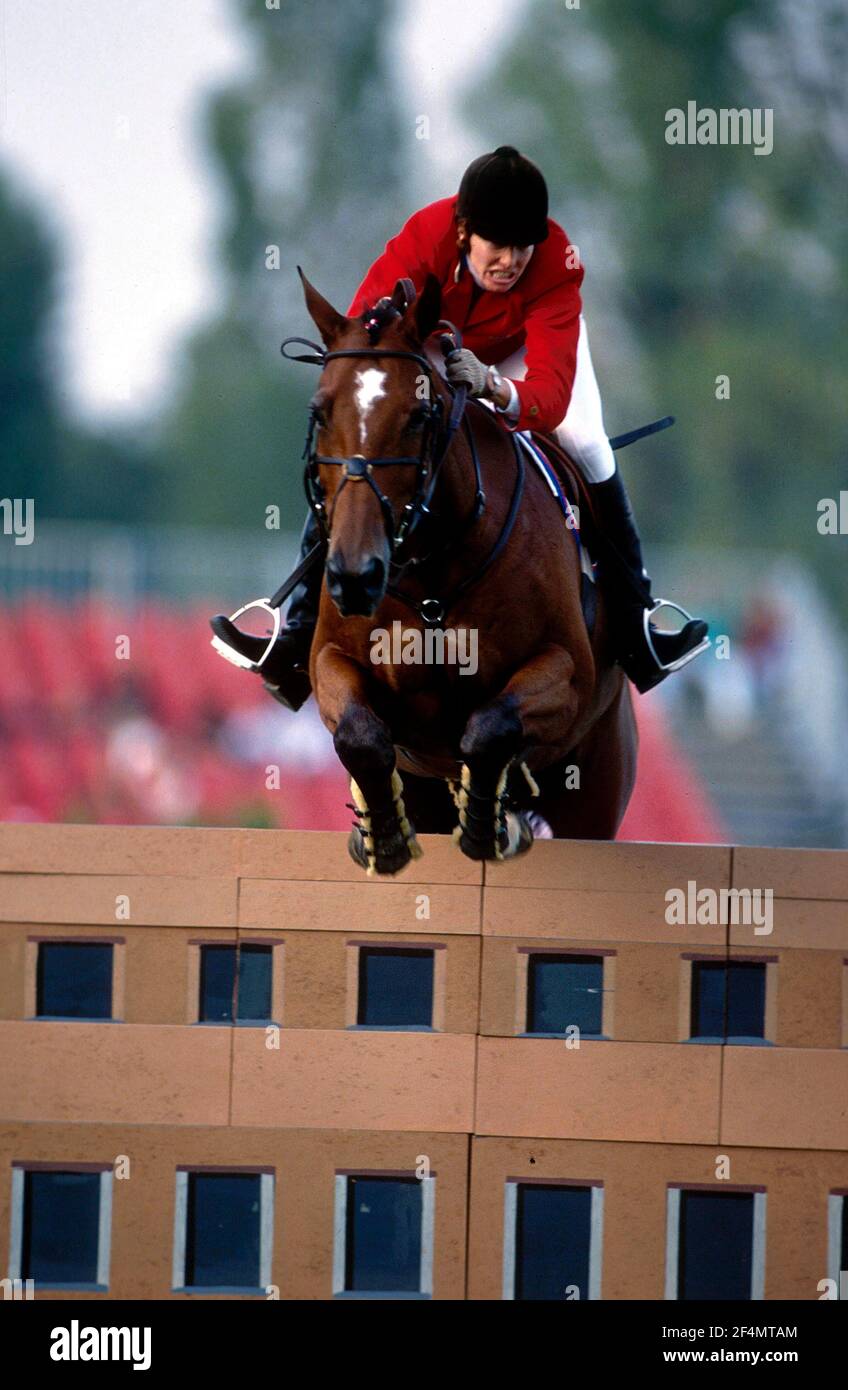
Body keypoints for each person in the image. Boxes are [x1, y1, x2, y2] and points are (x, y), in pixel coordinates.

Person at [212, 146, 708, 706]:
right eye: (498, 244)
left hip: (525, 361)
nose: (513, 260)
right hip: (431, 357)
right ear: (464, 230)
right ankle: (295, 631)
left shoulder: (557, 265)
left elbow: (548, 395)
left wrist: (495, 386)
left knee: (588, 444)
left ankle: (638, 624)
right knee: (365, 440)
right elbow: (366, 352)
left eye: (525, 246)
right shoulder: (424, 237)